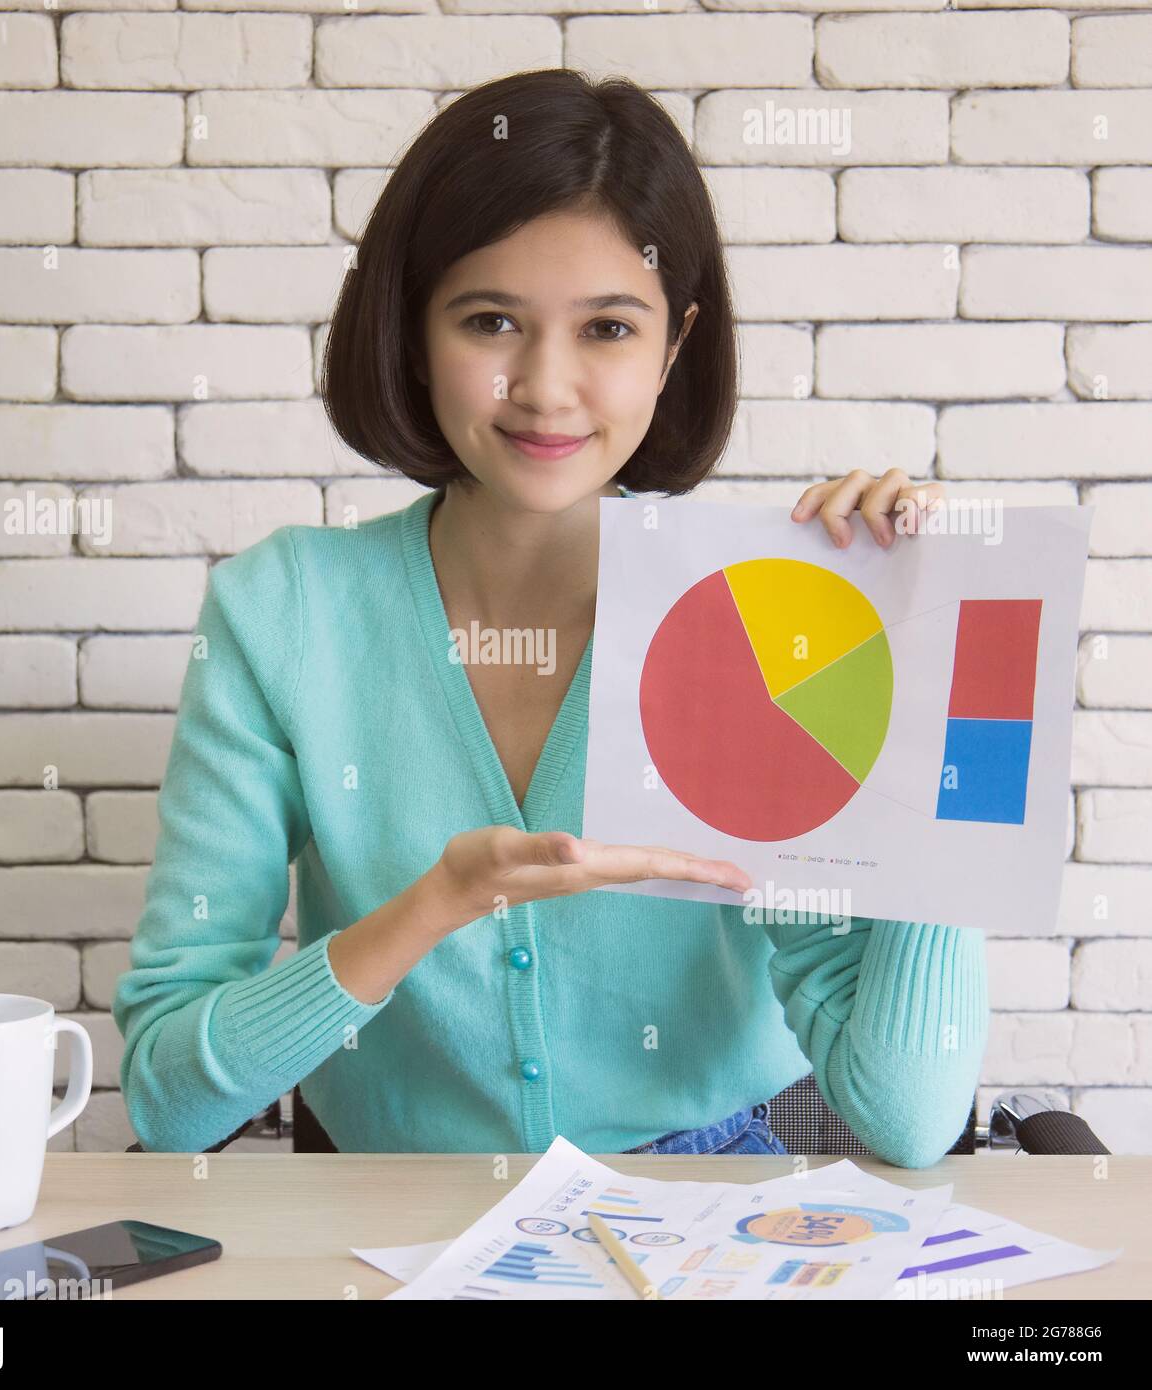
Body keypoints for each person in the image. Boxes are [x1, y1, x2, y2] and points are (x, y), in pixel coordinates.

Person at [113, 69, 987, 1165]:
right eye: (489, 321)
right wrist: (431, 906)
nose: (546, 386)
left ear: (674, 348)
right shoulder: (282, 611)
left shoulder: (762, 619)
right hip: (377, 1215)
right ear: (412, 330)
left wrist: (938, 685)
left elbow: (904, 1117)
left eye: (609, 329)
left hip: (703, 1204)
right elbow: (166, 1100)